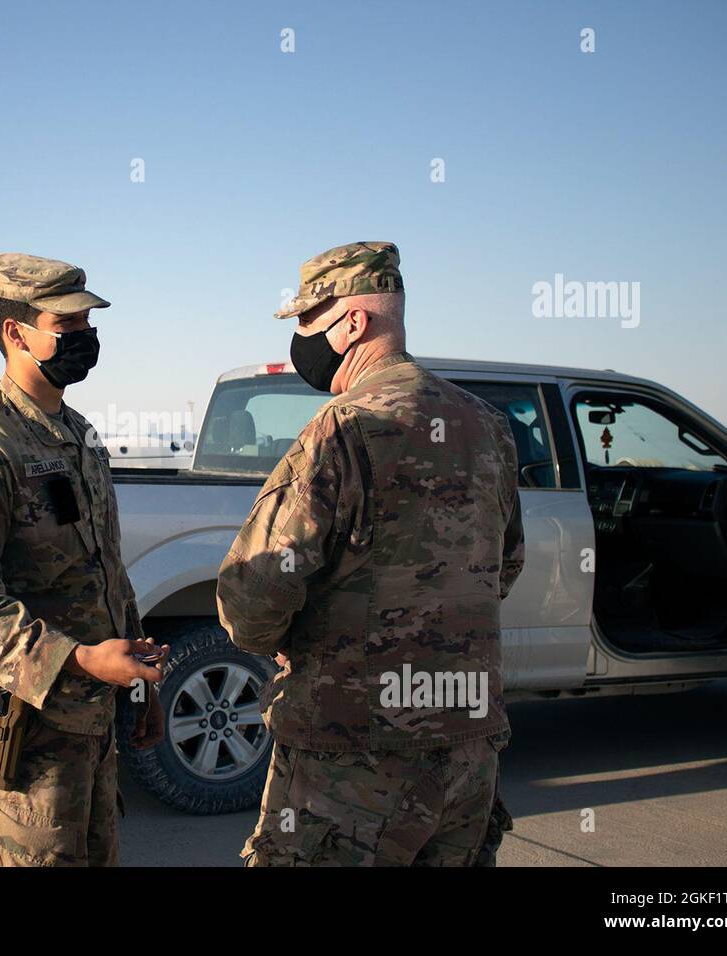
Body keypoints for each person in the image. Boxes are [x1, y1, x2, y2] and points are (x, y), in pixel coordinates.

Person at [217, 241, 525, 866]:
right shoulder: (488, 426)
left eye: (307, 321)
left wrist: (285, 638)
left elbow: (251, 595)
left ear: (352, 322)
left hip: (353, 759)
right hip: (467, 750)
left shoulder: (342, 430)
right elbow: (505, 564)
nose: (300, 339)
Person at [0, 252, 166, 867]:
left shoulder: (80, 436)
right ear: (15, 332)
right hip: (28, 738)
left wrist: (138, 678)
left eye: (88, 323)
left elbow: (106, 570)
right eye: (69, 325)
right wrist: (80, 659)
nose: (85, 337)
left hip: (94, 723)